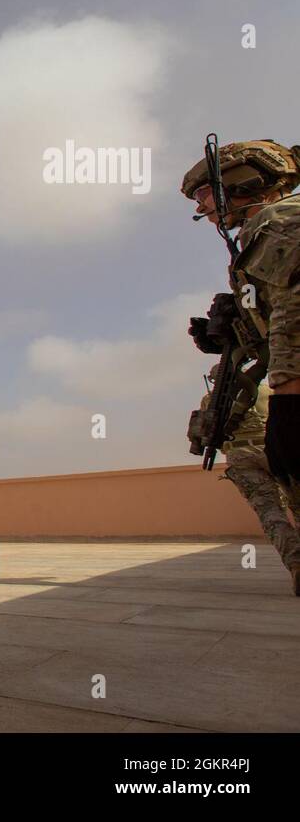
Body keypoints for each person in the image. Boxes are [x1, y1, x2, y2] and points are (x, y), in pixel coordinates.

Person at [184, 141, 300, 488]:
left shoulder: (278, 224)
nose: (202, 206)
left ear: (243, 180)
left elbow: (293, 320)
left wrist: (290, 408)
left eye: (204, 192)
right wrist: (238, 331)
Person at [191, 366, 300, 590]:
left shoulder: (210, 401)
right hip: (273, 450)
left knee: (271, 514)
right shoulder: (267, 391)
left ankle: (295, 564)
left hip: (240, 455)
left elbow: (201, 436)